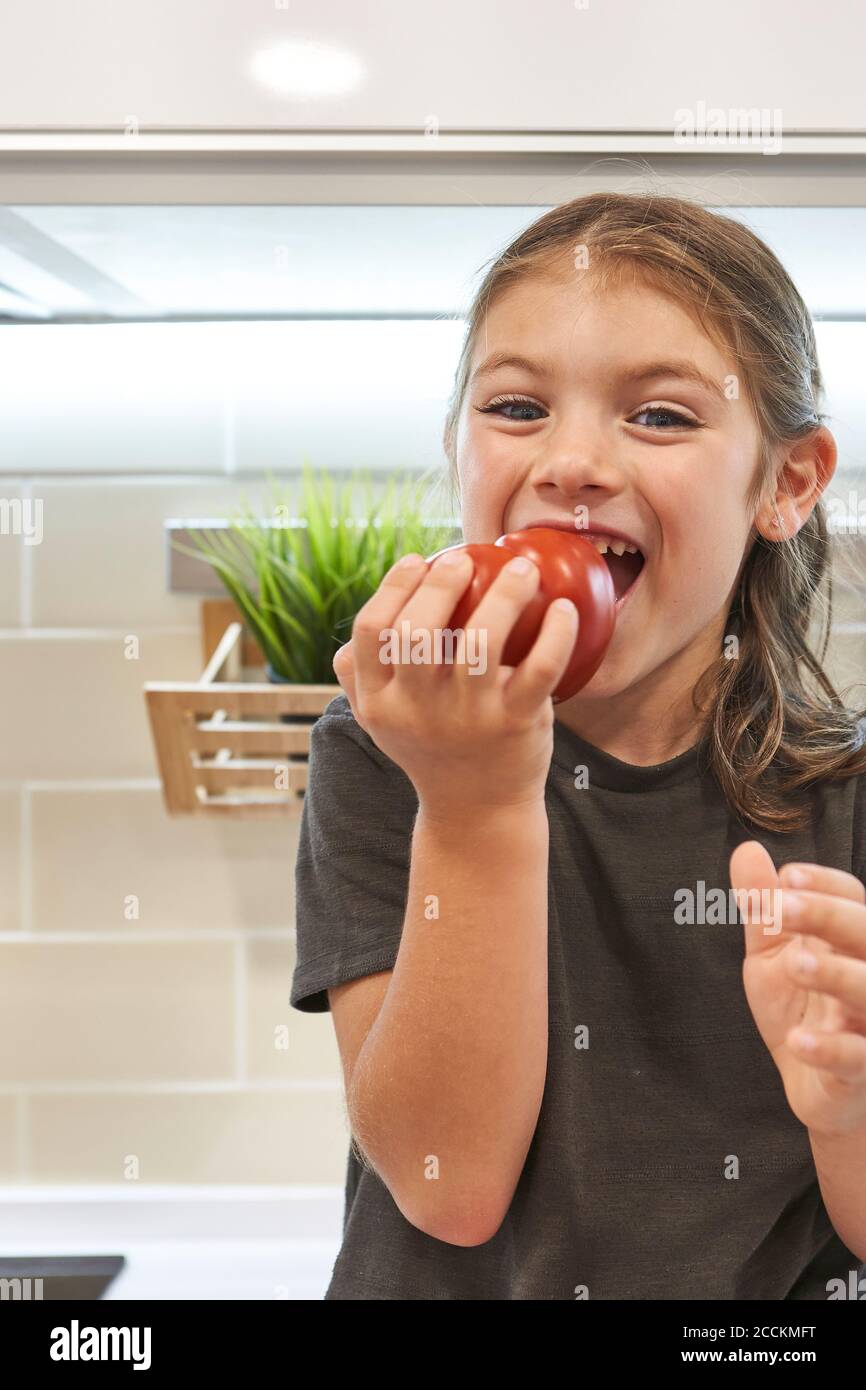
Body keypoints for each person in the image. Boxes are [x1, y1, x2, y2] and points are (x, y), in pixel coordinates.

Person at [290, 192, 866, 1300]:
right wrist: (475, 807)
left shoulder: (843, 794)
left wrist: (844, 1104)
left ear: (785, 484)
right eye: (515, 406)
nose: (571, 462)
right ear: (457, 447)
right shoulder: (384, 749)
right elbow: (443, 1180)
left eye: (657, 417)